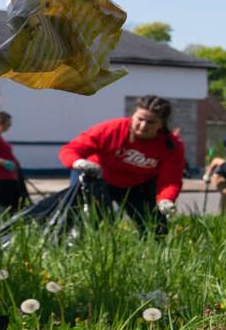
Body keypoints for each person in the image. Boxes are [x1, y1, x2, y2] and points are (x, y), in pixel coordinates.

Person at [59, 95, 184, 238]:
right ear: (133, 116)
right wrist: (78, 162)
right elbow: (70, 149)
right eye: (140, 119)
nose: (143, 126)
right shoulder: (112, 129)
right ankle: (71, 243)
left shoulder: (171, 146)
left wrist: (166, 199)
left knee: (156, 228)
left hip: (137, 185)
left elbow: (170, 180)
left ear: (161, 124)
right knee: (95, 223)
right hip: (97, 177)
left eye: (151, 122)